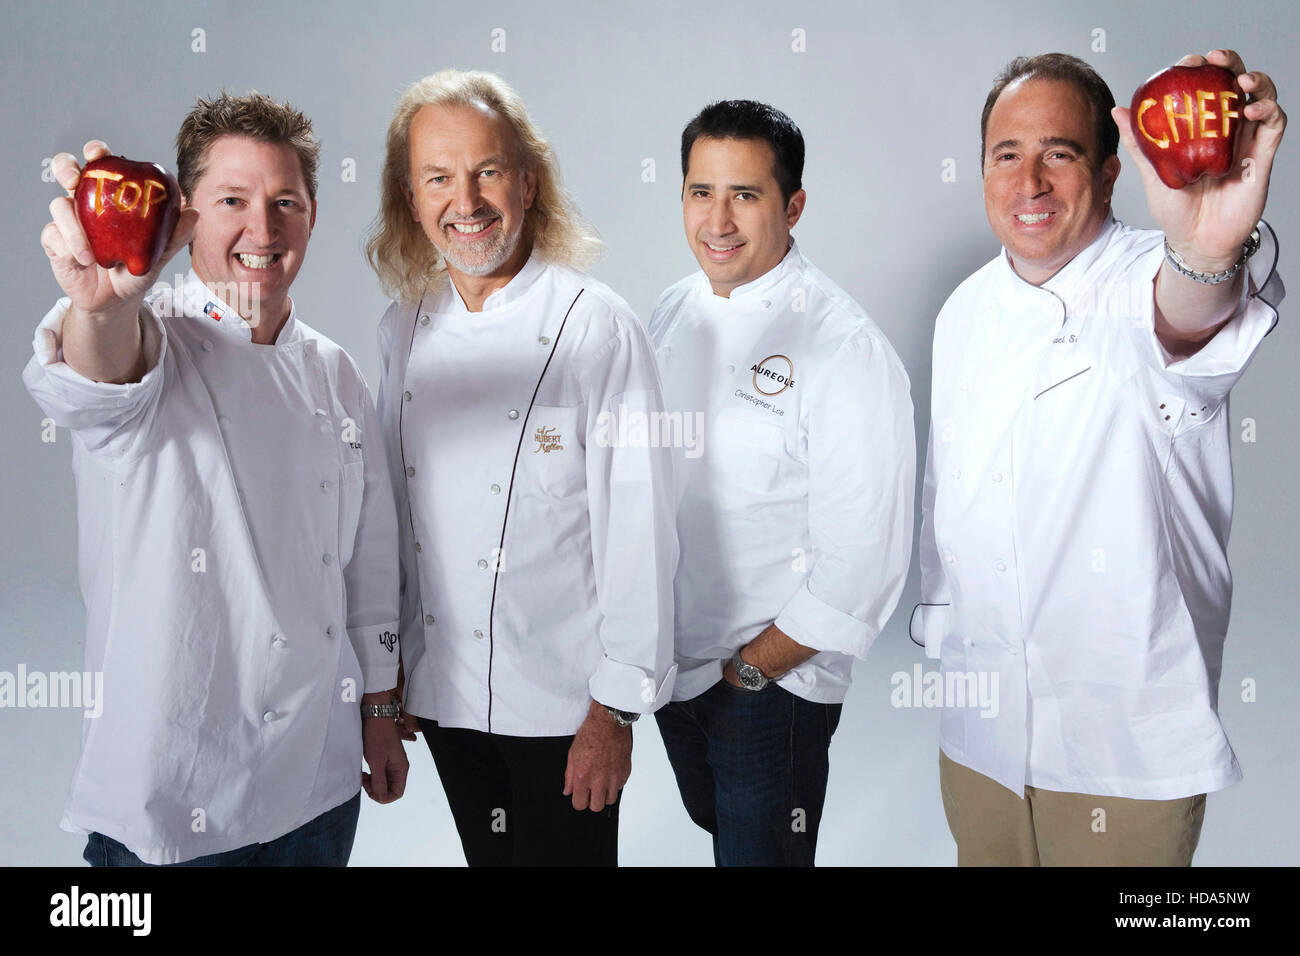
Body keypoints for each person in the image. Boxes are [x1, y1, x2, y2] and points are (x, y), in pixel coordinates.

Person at [916, 50, 1286, 866]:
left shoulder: (1150, 276)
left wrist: (1207, 249)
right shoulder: (964, 311)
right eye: (1006, 155)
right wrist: (946, 639)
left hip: (1123, 753)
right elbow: (948, 491)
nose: (1030, 182)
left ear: (1111, 171)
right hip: (980, 742)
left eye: (1061, 153)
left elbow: (1188, 316)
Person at [24, 92, 408, 866]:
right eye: (232, 200)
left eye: (285, 202)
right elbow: (97, 380)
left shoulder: (333, 371)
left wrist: (378, 706)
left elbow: (367, 558)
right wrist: (98, 309)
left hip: (317, 784)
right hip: (175, 796)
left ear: (312, 213)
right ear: (185, 217)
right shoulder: (151, 340)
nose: (261, 230)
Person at [367, 69, 677, 867]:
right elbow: (396, 516)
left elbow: (639, 534)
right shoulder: (403, 329)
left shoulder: (597, 328)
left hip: (565, 708)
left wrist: (616, 710)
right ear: (410, 196)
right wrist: (387, 670)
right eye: (439, 177)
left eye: (488, 172)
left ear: (529, 182)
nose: (464, 201)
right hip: (444, 699)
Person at [648, 100, 916, 866]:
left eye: (746, 195)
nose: (718, 220)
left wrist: (748, 672)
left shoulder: (845, 348)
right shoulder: (673, 308)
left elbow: (861, 561)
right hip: (680, 676)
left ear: (793, 205)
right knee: (725, 840)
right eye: (701, 192)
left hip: (772, 686)